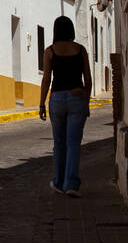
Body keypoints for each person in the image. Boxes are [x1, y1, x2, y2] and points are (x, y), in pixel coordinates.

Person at [38, 14, 92, 196]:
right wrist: (86, 102)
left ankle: (58, 182)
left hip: (57, 100)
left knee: (59, 143)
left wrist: (41, 104)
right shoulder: (81, 50)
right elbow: (88, 79)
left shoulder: (50, 51)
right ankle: (71, 184)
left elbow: (46, 79)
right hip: (77, 97)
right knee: (73, 143)